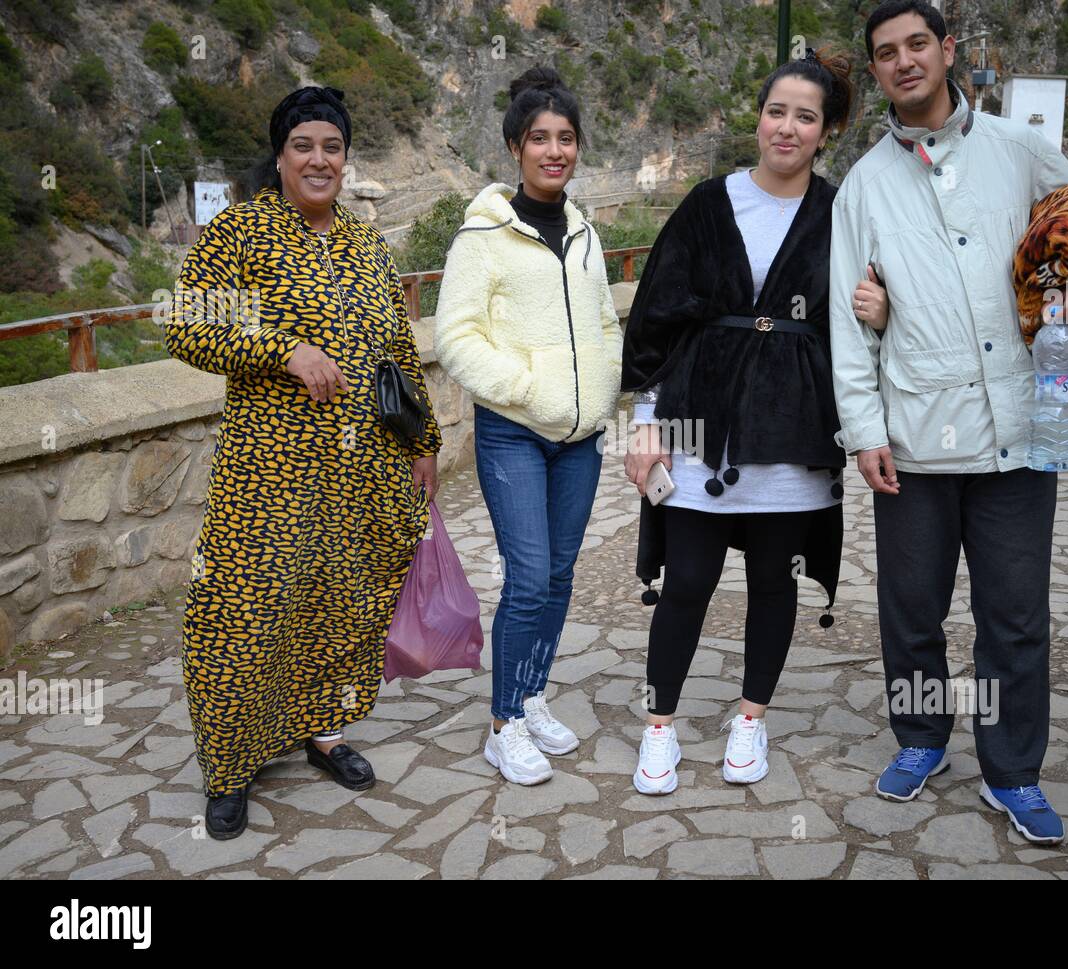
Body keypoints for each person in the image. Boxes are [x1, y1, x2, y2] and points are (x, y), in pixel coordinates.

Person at [830, 0, 1068, 844]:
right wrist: (862, 429)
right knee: (912, 608)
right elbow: (848, 318)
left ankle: (1013, 770)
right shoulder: (866, 183)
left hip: (1022, 425)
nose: (905, 61)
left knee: (1015, 613)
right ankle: (921, 739)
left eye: (919, 44)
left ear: (949, 51)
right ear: (874, 70)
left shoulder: (1019, 151)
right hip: (915, 430)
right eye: (886, 53)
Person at [166, 86, 441, 840]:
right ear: (281, 156)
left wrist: (425, 443)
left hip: (363, 472)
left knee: (344, 603)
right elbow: (187, 325)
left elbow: (398, 353)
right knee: (243, 612)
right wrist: (280, 350)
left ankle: (324, 731)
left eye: (332, 147)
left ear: (346, 159)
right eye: (304, 146)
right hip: (270, 474)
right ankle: (228, 766)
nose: (319, 160)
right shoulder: (243, 231)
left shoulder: (366, 245)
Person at [622, 49, 886, 794]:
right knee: (688, 582)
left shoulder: (842, 212)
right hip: (701, 420)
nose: (787, 128)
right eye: (777, 111)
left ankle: (749, 719)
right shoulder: (709, 203)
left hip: (796, 428)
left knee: (776, 581)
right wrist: (647, 417)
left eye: (807, 117)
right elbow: (657, 315)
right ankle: (660, 729)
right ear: (759, 117)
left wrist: (884, 310)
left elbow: (865, 316)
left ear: (826, 130)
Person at [432, 67, 623, 786]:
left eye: (566, 138)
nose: (555, 150)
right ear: (515, 146)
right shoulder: (483, 234)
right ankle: (503, 724)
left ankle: (532, 694)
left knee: (562, 575)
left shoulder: (583, 232)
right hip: (515, 433)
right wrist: (529, 389)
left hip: (580, 438)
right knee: (528, 580)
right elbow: (455, 337)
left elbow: (603, 317)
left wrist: (598, 391)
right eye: (539, 137)